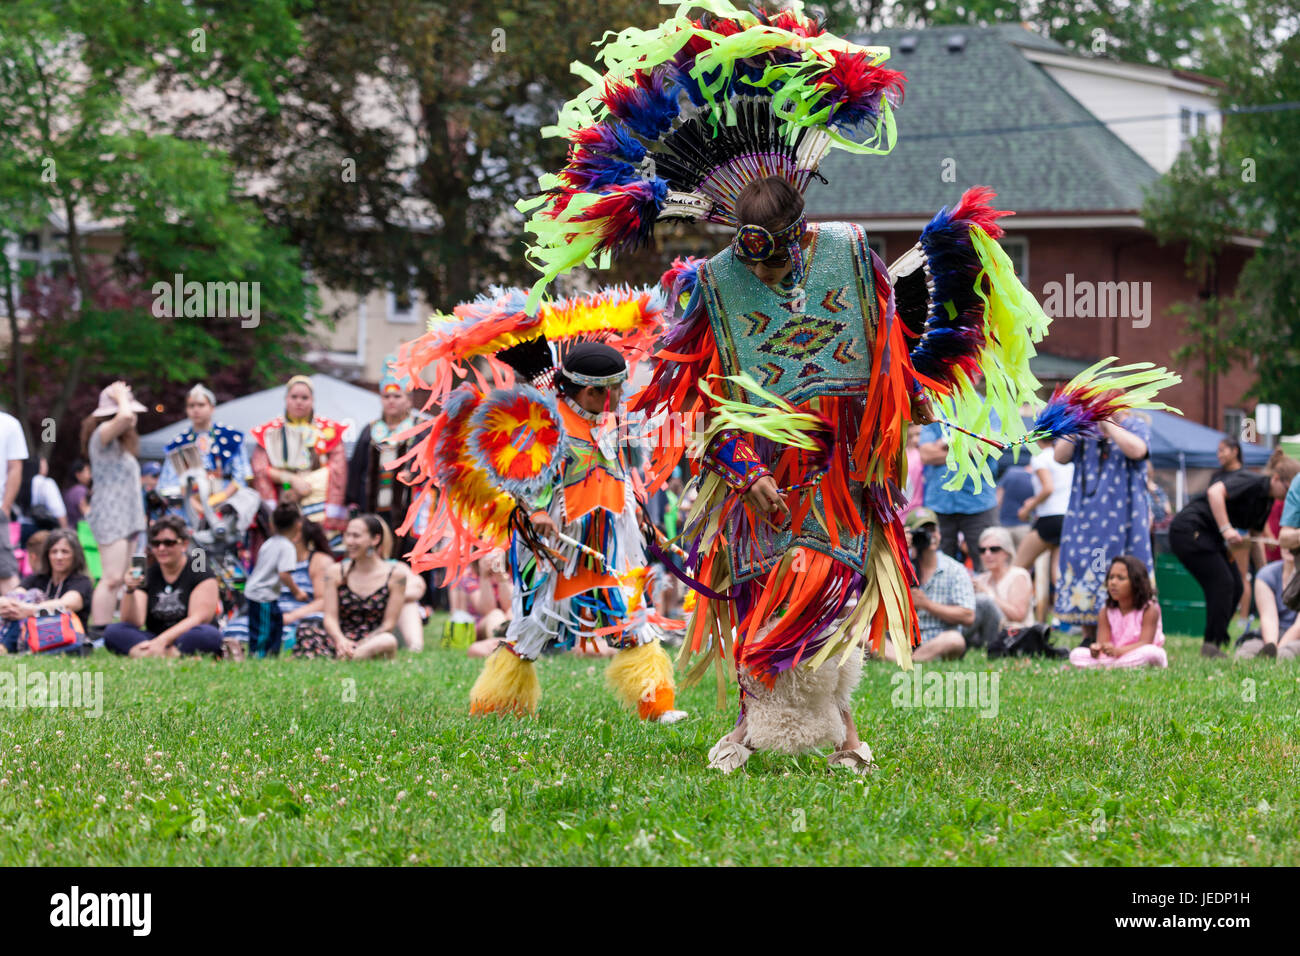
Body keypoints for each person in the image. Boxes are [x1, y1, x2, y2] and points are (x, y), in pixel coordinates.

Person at [467, 341, 687, 723]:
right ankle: (496, 708)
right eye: (614, 389)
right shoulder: (547, 424)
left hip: (608, 547)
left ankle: (656, 706)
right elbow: (516, 473)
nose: (620, 396)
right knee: (532, 629)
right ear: (591, 391)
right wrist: (535, 510)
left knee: (634, 619)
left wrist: (637, 511)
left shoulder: (609, 421)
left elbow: (617, 472)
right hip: (559, 552)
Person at [1169, 458, 1300, 657]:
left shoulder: (1267, 503)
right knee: (1223, 583)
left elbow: (1256, 538)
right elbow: (1215, 492)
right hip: (1190, 529)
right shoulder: (1254, 481)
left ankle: (1216, 644)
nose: (1289, 495)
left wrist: (1265, 572)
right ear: (1275, 478)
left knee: (1237, 586)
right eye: (1288, 488)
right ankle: (1211, 644)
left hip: (1211, 537)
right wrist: (1226, 528)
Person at [1052, 407, 1154, 642]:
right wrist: (1075, 425)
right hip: (1086, 522)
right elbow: (1060, 456)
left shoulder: (1136, 426)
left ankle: (1125, 635)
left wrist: (1108, 424)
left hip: (1124, 521)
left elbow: (1138, 450)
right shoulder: (1084, 431)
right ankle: (1090, 634)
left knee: (1123, 572)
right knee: (1089, 568)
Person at [103, 515, 222, 657]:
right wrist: (129, 590)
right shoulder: (148, 572)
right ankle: (170, 655)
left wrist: (162, 641)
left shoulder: (199, 569)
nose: (161, 548)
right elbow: (134, 621)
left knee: (209, 635)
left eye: (169, 543)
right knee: (113, 631)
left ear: (184, 544)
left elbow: (198, 618)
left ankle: (145, 654)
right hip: (153, 637)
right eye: (155, 543)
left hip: (186, 636)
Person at [82, 381, 148, 629]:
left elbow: (127, 418)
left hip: (128, 517)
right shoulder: (101, 436)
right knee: (110, 578)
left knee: (122, 578)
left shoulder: (120, 444)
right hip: (110, 516)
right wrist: (121, 397)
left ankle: (116, 627)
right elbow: (126, 416)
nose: (133, 420)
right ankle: (99, 630)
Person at [294, 514, 402, 660]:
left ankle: (349, 656)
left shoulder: (396, 575)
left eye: (356, 536)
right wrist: (341, 640)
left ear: (375, 539)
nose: (349, 541)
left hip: (372, 640)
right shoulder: (335, 572)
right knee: (306, 630)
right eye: (347, 535)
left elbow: (388, 624)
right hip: (340, 638)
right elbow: (330, 618)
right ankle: (348, 656)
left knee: (388, 640)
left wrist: (361, 643)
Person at [250, 375, 348, 531]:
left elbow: (338, 470)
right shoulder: (269, 432)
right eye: (294, 397)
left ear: (312, 400)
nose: (299, 402)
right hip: (284, 499)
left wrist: (307, 483)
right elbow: (259, 468)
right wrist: (290, 479)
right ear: (286, 399)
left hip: (318, 504)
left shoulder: (329, 430)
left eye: (304, 397)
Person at [159, 384, 259, 534]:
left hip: (226, 504)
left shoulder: (230, 438)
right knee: (196, 552)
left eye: (201, 405)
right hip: (189, 508)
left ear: (212, 408)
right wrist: (196, 505)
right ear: (186, 410)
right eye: (191, 406)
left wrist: (220, 499)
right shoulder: (179, 444)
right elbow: (170, 483)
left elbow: (242, 475)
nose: (196, 410)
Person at [346, 359, 426, 545]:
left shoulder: (419, 429)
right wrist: (352, 504)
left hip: (409, 510)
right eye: (386, 397)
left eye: (397, 396)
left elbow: (431, 466)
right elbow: (356, 470)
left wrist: (414, 475)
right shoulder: (371, 430)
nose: (391, 401)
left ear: (409, 400)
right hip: (372, 508)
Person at [882, 509, 974, 663]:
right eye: (923, 531)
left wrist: (927, 605)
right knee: (859, 632)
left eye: (932, 530)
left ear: (939, 534)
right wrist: (898, 548)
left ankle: (906, 661)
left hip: (936, 639)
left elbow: (968, 615)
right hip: (899, 639)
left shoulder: (955, 569)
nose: (929, 536)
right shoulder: (898, 563)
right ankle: (907, 660)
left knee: (955, 640)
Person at [919, 420, 999, 573]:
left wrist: (945, 444)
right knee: (937, 567)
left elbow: (989, 445)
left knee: (988, 564)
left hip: (979, 503)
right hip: (939, 502)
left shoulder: (986, 408)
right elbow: (925, 455)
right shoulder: (933, 412)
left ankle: (987, 597)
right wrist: (968, 448)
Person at [0, 530, 95, 651]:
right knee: (17, 599)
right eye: (54, 552)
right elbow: (15, 595)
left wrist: (28, 610)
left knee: (33, 595)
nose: (59, 557)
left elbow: (67, 605)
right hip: (34, 635)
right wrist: (7, 604)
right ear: (47, 555)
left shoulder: (82, 582)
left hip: (68, 636)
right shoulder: (38, 578)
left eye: (65, 552)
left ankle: (5, 645)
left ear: (75, 555)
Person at [1067, 556, 1166, 668]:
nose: (1113, 582)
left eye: (1121, 578)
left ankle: (1107, 666)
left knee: (1151, 653)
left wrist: (1118, 651)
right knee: (1076, 654)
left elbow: (1145, 642)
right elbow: (1103, 644)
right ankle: (1117, 666)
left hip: (1137, 653)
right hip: (1114, 657)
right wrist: (1097, 649)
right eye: (1111, 577)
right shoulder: (1106, 612)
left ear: (1136, 582)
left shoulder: (1149, 610)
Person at [1013, 437, 1073, 618]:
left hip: (1049, 518)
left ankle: (1016, 611)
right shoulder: (1069, 460)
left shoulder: (1040, 457)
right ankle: (1067, 617)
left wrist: (1027, 509)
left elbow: (1048, 488)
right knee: (1058, 574)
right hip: (1068, 518)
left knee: (1017, 568)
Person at [244, 503, 305, 657]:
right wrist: (297, 592)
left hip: (264, 593)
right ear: (298, 525)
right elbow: (284, 574)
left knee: (275, 623)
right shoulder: (287, 547)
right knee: (263, 629)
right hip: (262, 595)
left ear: (272, 524)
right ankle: (258, 656)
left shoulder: (270, 542)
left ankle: (272, 654)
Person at [966, 525, 1034, 648]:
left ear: (1006, 552)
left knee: (984, 602)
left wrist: (989, 594)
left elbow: (1018, 615)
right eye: (982, 550)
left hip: (1012, 636)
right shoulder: (981, 579)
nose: (987, 554)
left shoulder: (1018, 575)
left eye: (994, 549)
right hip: (983, 635)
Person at [1236, 552, 1300, 660]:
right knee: (1245, 653)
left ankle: (1280, 654)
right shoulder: (1267, 574)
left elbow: (1298, 627)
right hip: (1271, 633)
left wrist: (1279, 648)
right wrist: (1271, 645)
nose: (1290, 548)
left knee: (1286, 654)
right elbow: (1268, 617)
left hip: (1296, 637)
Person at [0, 408, 29, 594]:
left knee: (5, 571)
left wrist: (5, 507)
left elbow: (15, 469)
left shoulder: (9, 424)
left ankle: (19, 621)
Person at [996, 455, 1033, 550]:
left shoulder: (1011, 472)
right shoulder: (1038, 479)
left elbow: (998, 499)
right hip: (1025, 528)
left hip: (1004, 525)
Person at [62, 459, 92, 526]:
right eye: (88, 472)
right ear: (78, 475)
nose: (90, 476)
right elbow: (86, 511)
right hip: (80, 531)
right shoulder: (80, 490)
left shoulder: (68, 490)